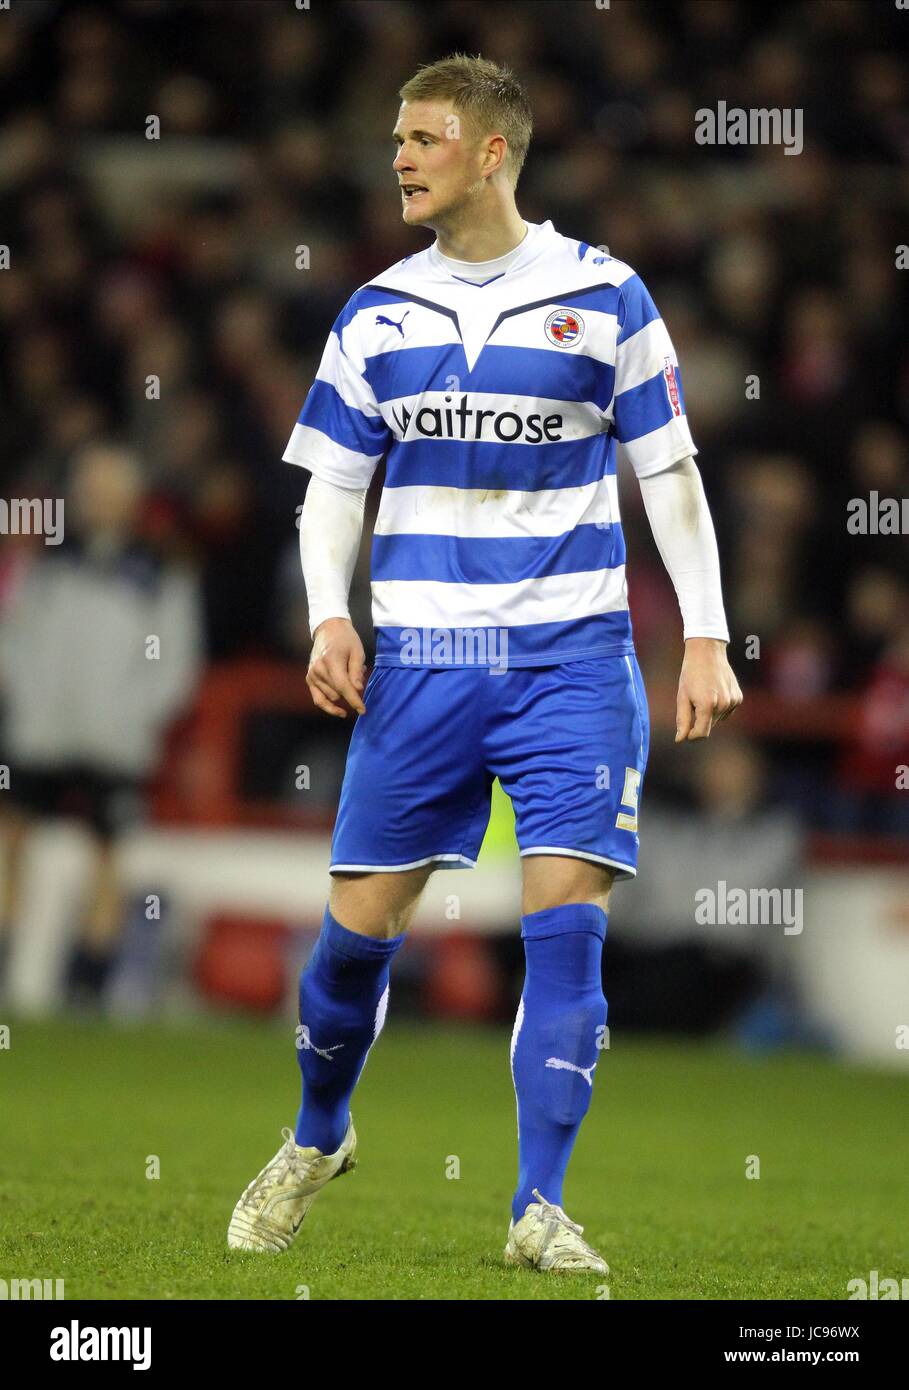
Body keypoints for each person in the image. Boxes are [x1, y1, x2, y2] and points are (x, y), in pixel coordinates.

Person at [228, 54, 742, 1272]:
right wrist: (325, 615)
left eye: (425, 136)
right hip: (420, 665)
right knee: (353, 940)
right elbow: (333, 488)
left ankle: (537, 1204)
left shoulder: (605, 296)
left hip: (573, 658)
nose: (400, 156)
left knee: (567, 930)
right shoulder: (376, 313)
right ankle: (317, 1135)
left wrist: (709, 633)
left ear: (494, 150)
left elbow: (669, 473)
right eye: (396, 137)